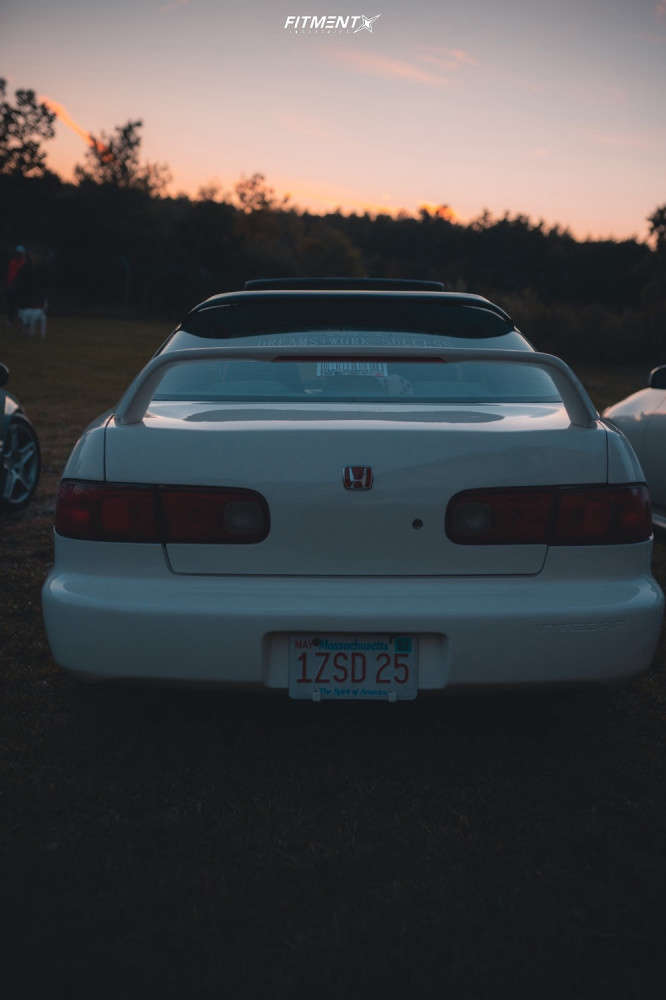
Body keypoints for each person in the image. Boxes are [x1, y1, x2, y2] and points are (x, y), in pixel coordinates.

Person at [6, 245, 32, 325]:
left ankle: (22, 320)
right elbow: (10, 275)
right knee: (12, 304)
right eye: (18, 253)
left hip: (22, 286)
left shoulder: (25, 263)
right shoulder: (13, 262)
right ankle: (11, 320)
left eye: (21, 253)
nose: (19, 254)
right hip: (13, 285)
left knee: (22, 304)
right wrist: (9, 284)